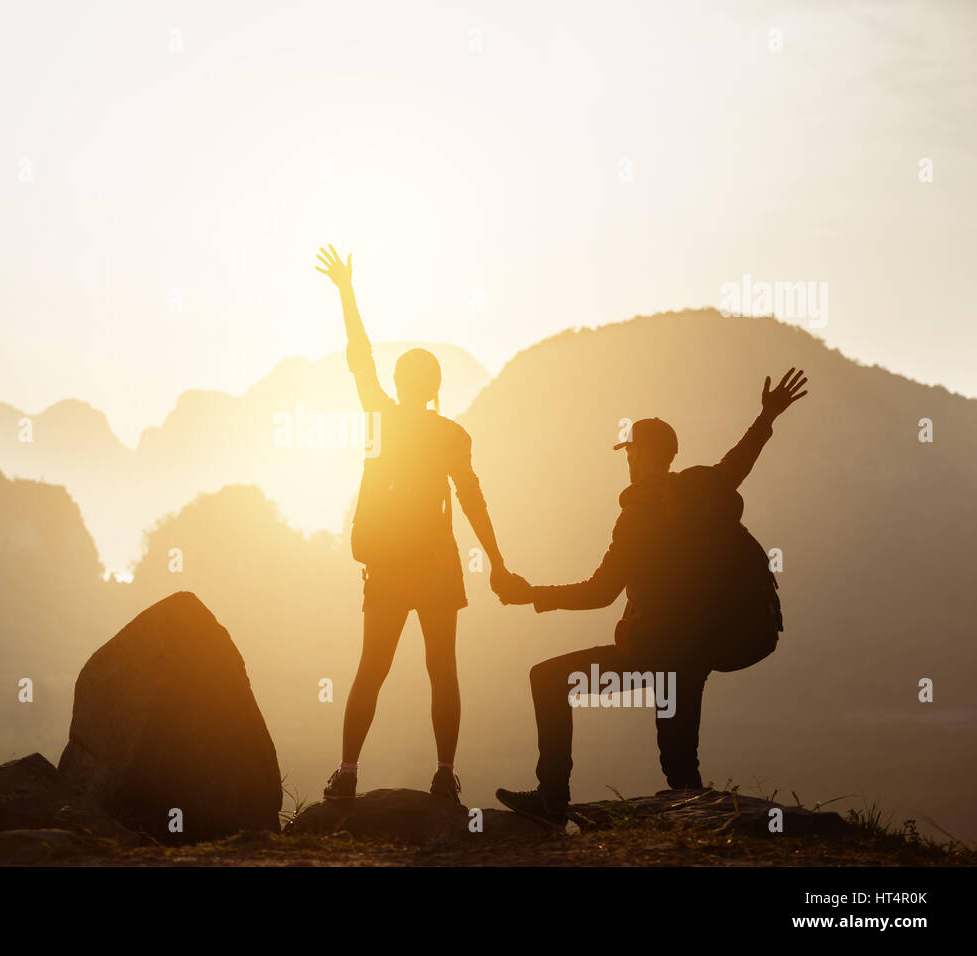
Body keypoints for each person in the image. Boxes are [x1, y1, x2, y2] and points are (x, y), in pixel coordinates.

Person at [494, 368, 810, 825]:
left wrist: (532, 595)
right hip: (698, 649)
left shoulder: (637, 516)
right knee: (680, 767)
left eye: (630, 453)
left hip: (652, 651)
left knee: (548, 679)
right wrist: (767, 416)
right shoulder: (702, 489)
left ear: (639, 455)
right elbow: (738, 461)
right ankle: (700, 837)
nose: (627, 461)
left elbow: (599, 593)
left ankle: (551, 798)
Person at [315, 245, 518, 802]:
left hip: (386, 564)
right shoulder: (451, 435)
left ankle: (347, 775)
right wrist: (497, 564)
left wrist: (347, 292)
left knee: (370, 670)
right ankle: (445, 775)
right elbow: (473, 502)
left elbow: (359, 356)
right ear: (435, 388)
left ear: (402, 383)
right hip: (435, 566)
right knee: (442, 670)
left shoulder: (379, 416)